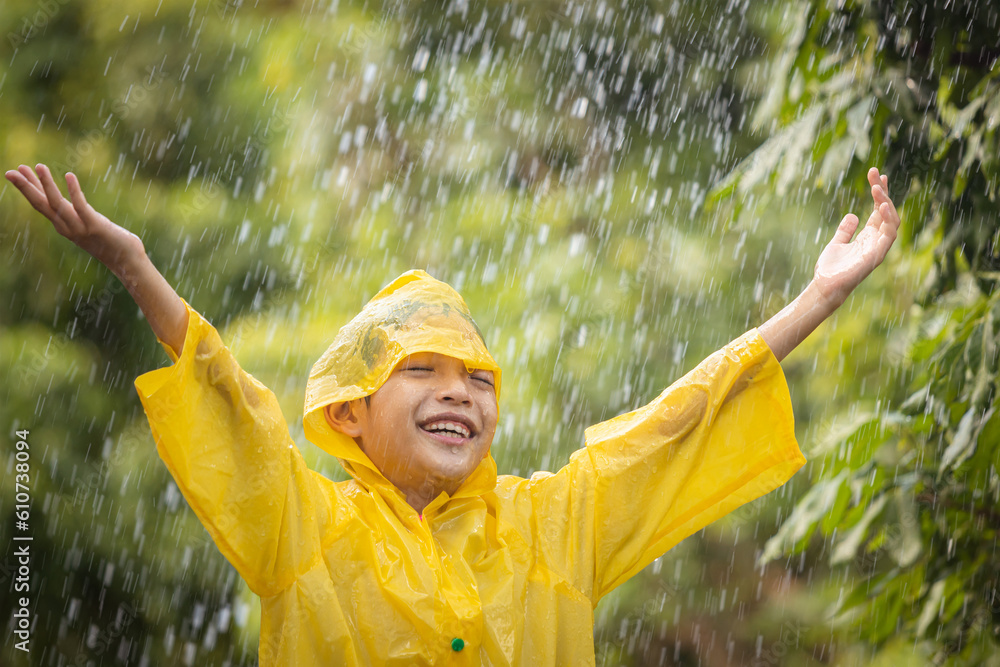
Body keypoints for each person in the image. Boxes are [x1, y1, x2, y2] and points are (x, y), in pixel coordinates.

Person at [4, 163, 901, 665]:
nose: (459, 392)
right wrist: (135, 271)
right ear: (350, 415)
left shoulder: (554, 524)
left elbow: (679, 421)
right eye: (421, 369)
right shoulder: (303, 527)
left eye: (477, 377)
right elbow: (234, 407)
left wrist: (817, 299)